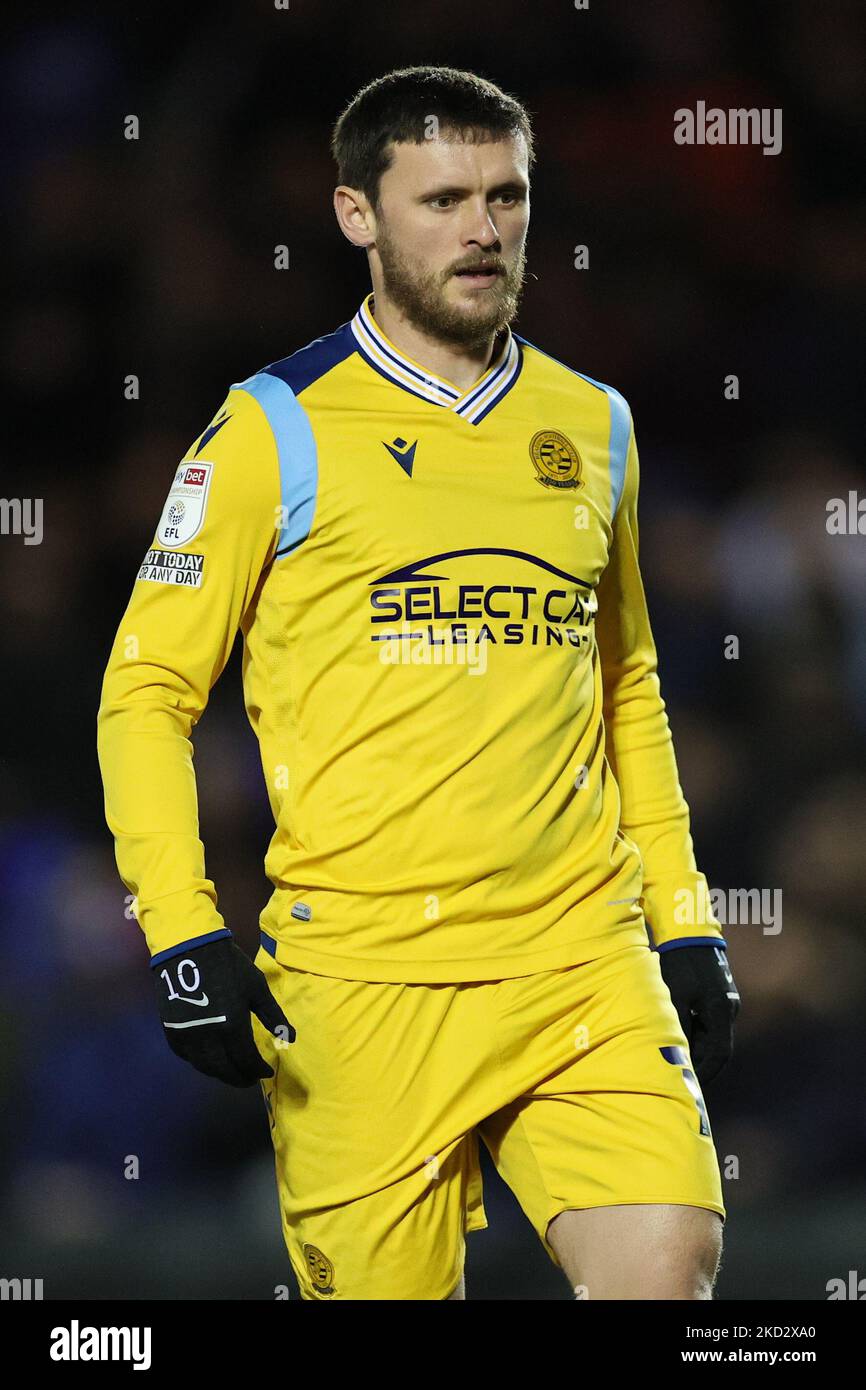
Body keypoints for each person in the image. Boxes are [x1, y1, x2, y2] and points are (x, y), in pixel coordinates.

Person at [97, 64, 739, 1301]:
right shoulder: (267, 428)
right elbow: (145, 692)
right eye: (442, 198)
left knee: (667, 1269)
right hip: (360, 984)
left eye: (506, 196)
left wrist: (685, 913)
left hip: (578, 960)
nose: (482, 229)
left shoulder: (593, 423)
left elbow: (627, 687)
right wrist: (180, 928)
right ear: (355, 215)